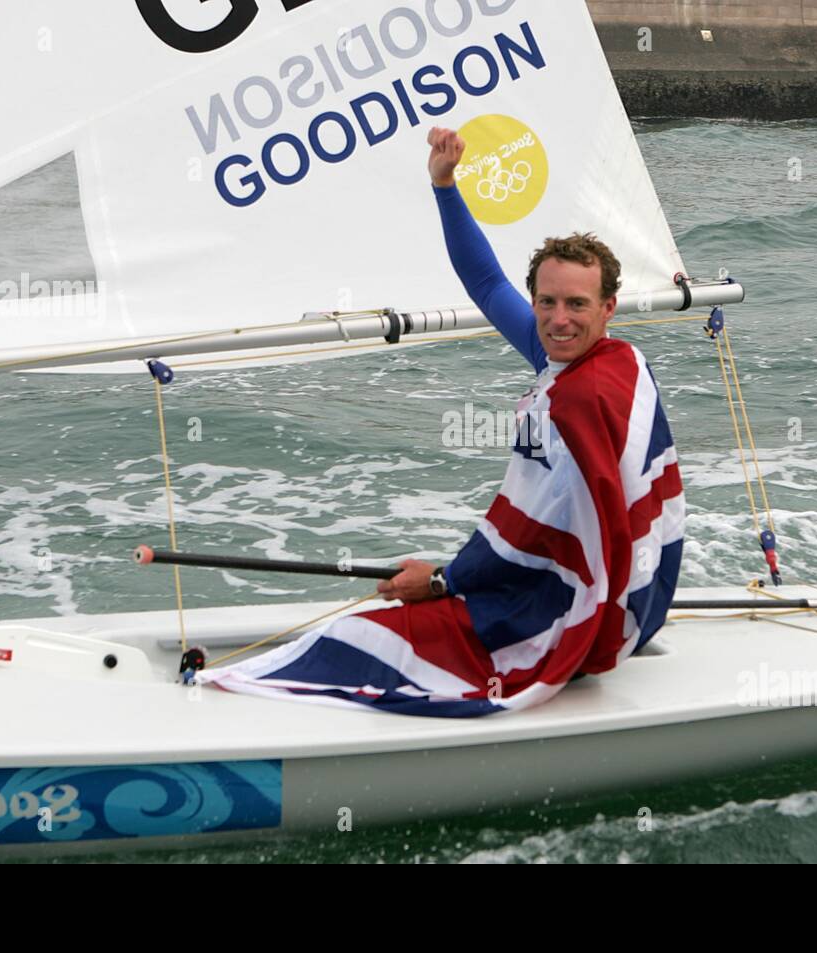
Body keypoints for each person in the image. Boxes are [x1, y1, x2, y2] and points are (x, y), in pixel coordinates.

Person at [197, 128, 685, 716]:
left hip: (581, 618)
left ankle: (221, 700)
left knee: (361, 638)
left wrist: (441, 581)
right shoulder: (604, 358)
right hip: (638, 595)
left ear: (608, 306)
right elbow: (484, 281)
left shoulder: (581, 398)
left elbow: (535, 531)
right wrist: (445, 185)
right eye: (546, 302)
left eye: (576, 304)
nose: (557, 319)